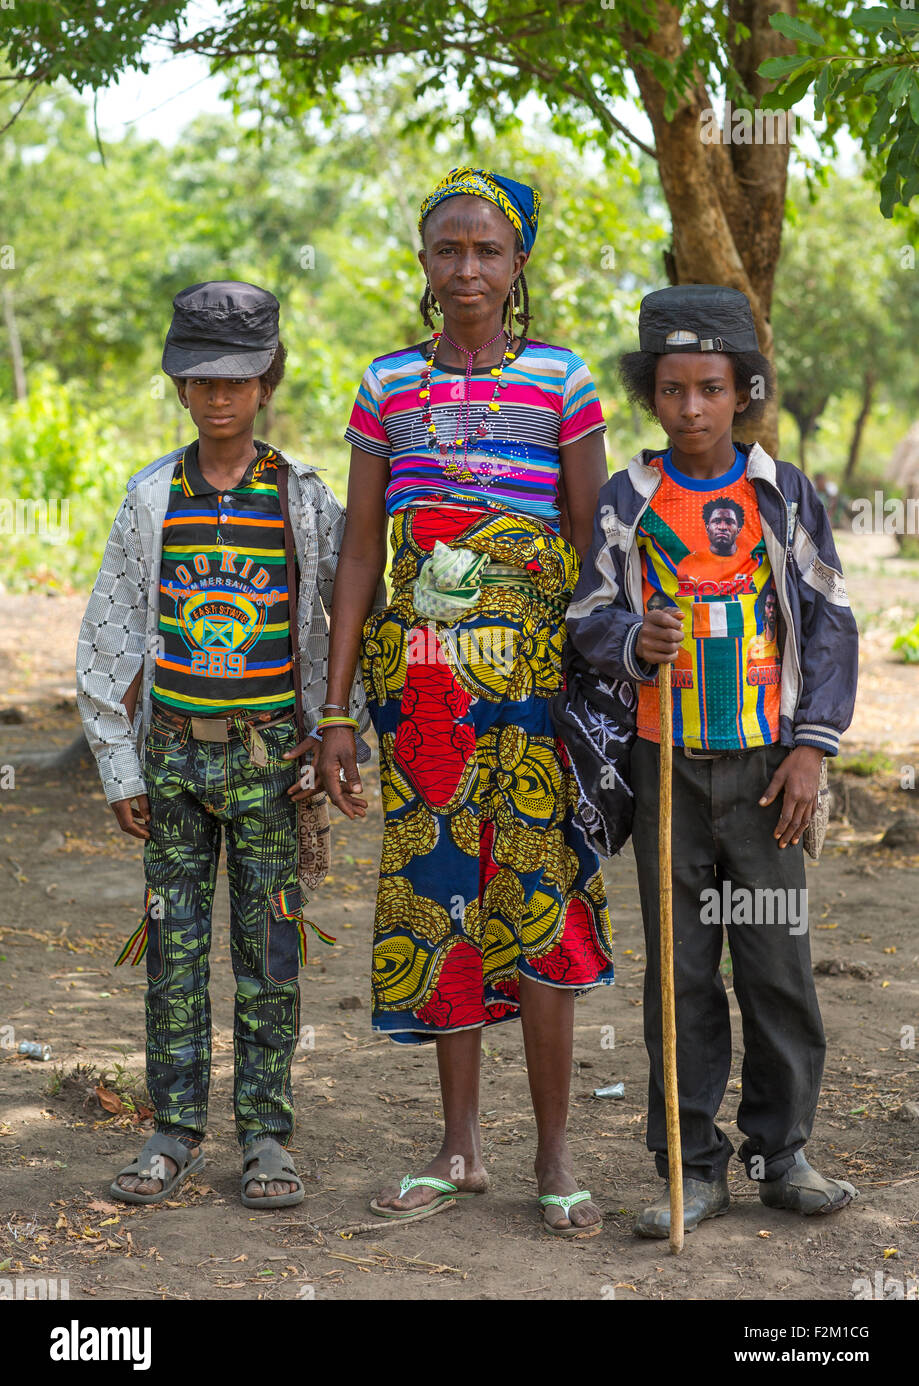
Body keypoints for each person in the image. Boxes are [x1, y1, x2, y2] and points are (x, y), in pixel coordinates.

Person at [318, 168, 615, 1235]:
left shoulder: (563, 382)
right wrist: (339, 708)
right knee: (442, 900)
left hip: (534, 695)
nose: (468, 269)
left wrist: (594, 700)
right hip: (424, 696)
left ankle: (553, 1154)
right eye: (448, 248)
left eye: (487, 249)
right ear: (424, 262)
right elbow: (361, 552)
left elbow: (591, 553)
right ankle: (456, 1148)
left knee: (538, 901)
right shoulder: (385, 386)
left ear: (518, 261)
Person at [565, 284, 860, 1237]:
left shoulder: (783, 494)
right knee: (682, 972)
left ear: (744, 393)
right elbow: (584, 618)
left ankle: (785, 1152)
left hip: (767, 772)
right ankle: (690, 1168)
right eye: (672, 388)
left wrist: (811, 750)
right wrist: (628, 640)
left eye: (711, 388)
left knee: (774, 963)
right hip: (667, 773)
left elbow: (829, 624)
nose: (691, 407)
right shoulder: (629, 499)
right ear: (650, 394)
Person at [76, 281, 371, 1208]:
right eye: (200, 381)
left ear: (267, 383)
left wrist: (332, 734)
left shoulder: (303, 497)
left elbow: (339, 624)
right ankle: (170, 1131)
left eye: (237, 381)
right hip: (172, 763)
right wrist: (120, 762)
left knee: (268, 952)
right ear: (179, 389)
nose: (218, 398)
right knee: (172, 950)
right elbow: (111, 634)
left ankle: (268, 1136)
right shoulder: (150, 499)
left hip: (268, 764)